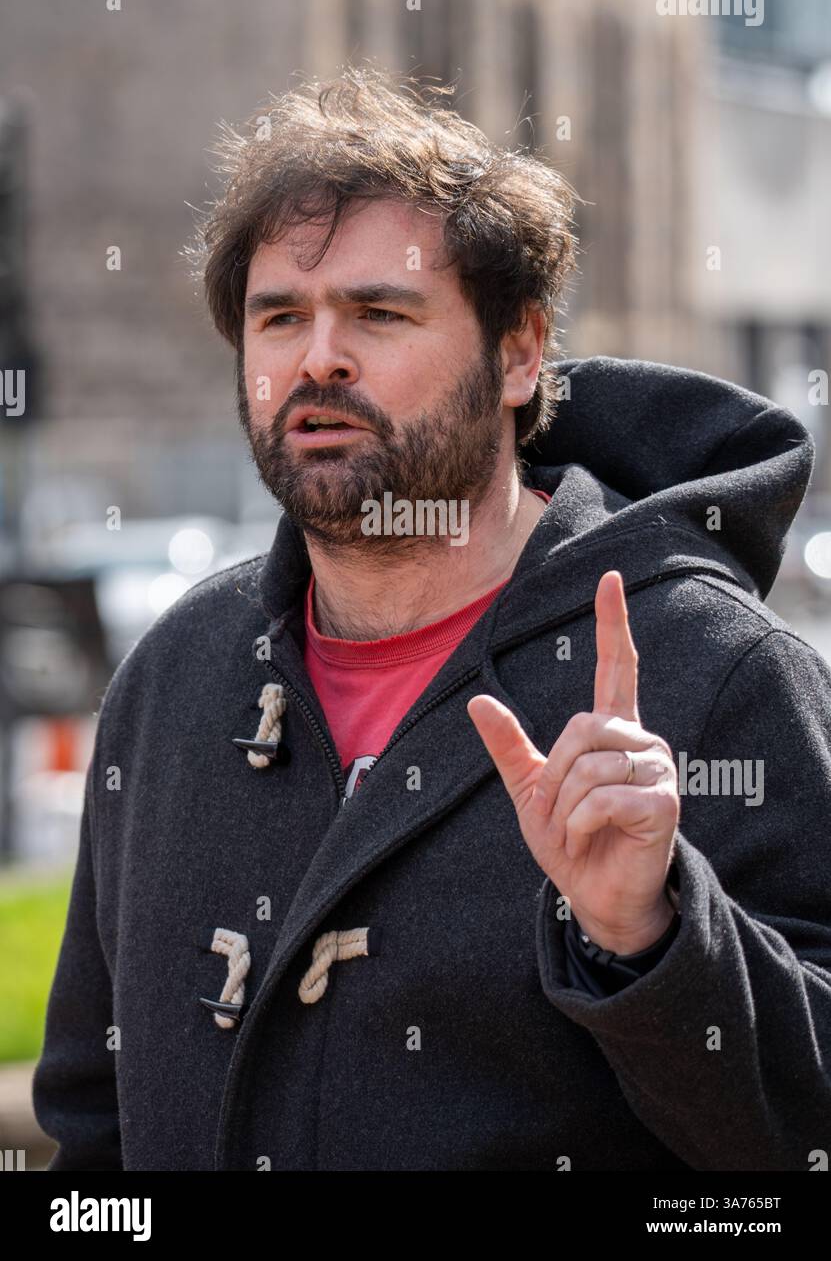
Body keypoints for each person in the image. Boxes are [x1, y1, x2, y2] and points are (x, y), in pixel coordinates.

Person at [33, 66, 831, 1172]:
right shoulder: (176, 673)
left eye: (378, 311)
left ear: (516, 352)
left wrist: (650, 938)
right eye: (279, 318)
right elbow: (91, 1116)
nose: (318, 357)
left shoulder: (719, 670)